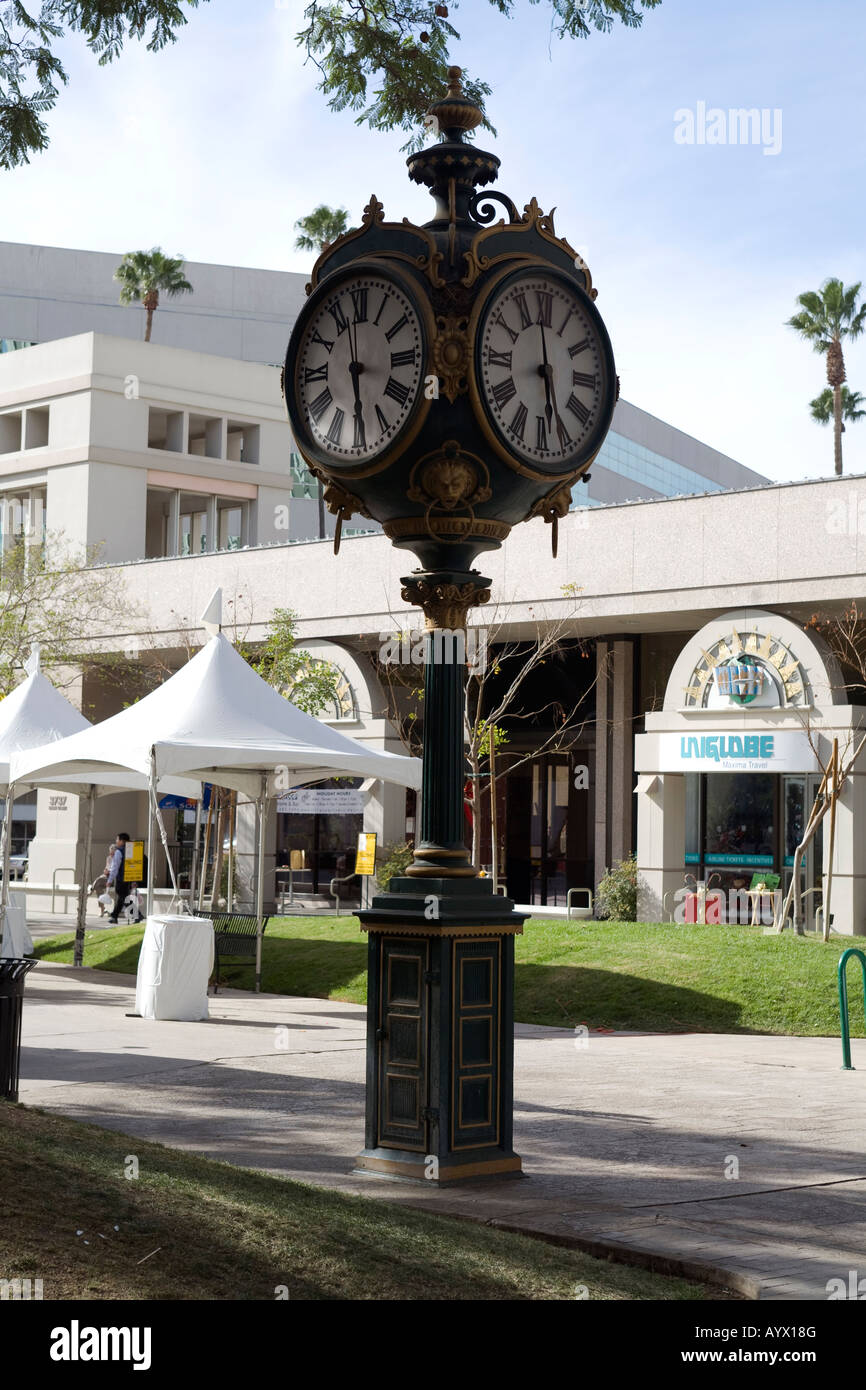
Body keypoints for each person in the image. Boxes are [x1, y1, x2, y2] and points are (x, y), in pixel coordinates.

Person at [107, 833, 131, 924]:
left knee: (122, 896)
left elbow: (115, 867)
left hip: (121, 878)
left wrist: (110, 880)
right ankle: (114, 916)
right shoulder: (133, 850)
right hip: (130, 877)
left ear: (122, 841)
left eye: (117, 840)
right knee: (123, 897)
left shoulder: (119, 851)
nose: (116, 842)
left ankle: (136, 914)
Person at [88, 845, 115, 918]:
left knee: (98, 880)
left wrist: (109, 872)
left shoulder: (118, 859)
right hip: (106, 877)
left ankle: (90, 891)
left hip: (112, 879)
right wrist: (105, 870)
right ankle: (102, 908)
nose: (111, 854)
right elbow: (107, 867)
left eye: (113, 853)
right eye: (110, 852)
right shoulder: (108, 858)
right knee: (98, 887)